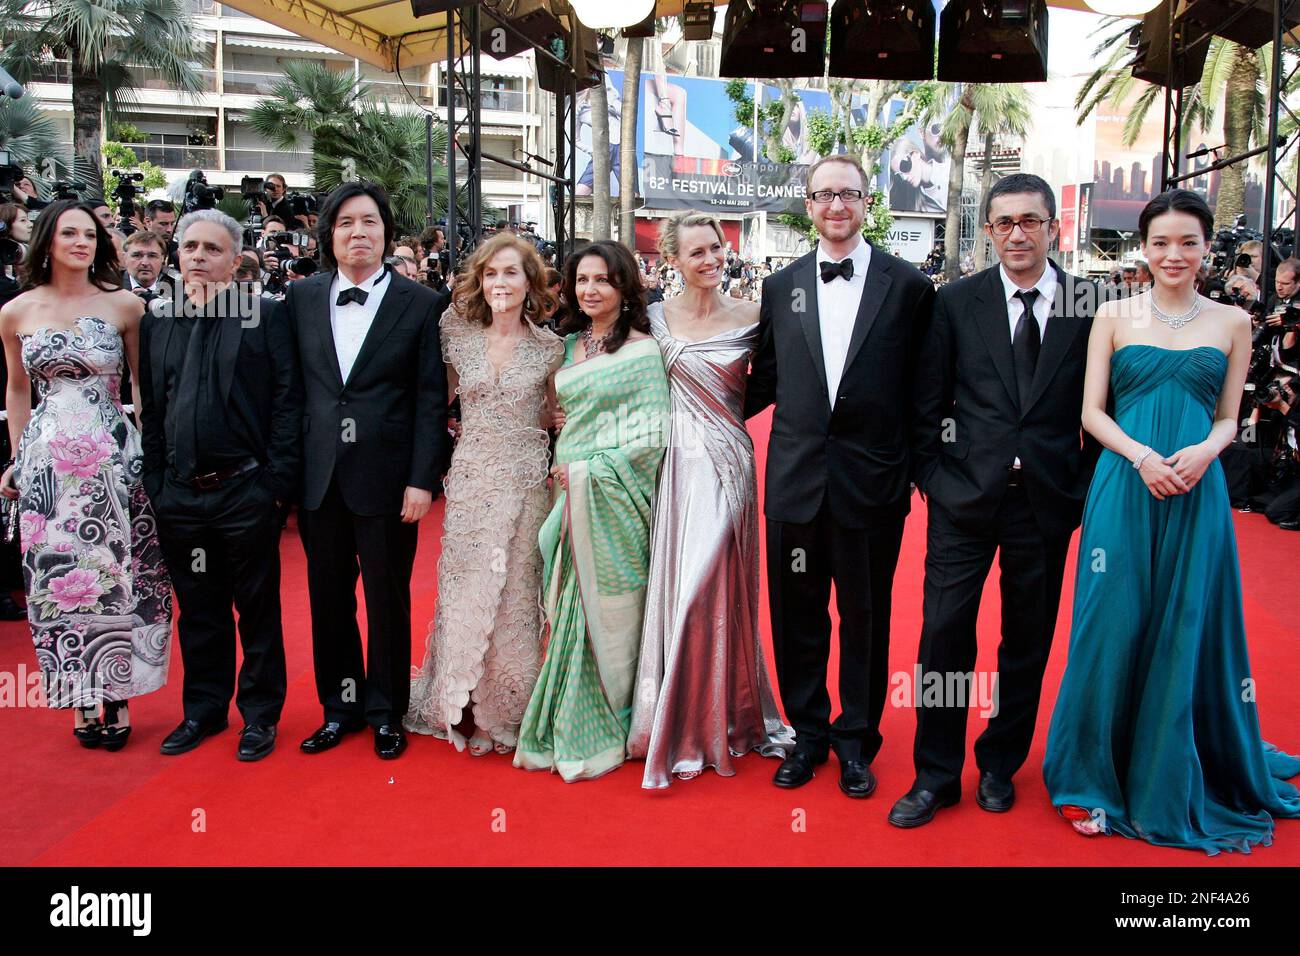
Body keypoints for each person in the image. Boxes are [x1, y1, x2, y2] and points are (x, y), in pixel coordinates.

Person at [1043, 189, 1300, 852]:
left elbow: (1228, 417)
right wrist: (1141, 457)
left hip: (1197, 488)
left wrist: (1207, 452)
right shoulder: (1113, 315)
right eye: (1161, 242)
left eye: (1188, 242)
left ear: (1206, 247)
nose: (1174, 254)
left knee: (1188, 624)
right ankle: (1089, 777)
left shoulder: (1233, 323)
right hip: (1125, 484)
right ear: (1144, 248)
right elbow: (1091, 412)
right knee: (1110, 622)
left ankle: (1173, 766)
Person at [891, 174, 1099, 827]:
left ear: (1052, 228)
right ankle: (937, 775)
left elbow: (1105, 405)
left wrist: (1079, 487)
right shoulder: (957, 303)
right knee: (945, 636)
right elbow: (926, 405)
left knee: (1026, 641)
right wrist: (937, 479)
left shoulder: (1088, 304)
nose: (1017, 233)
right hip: (965, 499)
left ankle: (1001, 765)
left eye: (1030, 221)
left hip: (1046, 501)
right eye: (1004, 222)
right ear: (987, 229)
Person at [745, 154, 934, 797]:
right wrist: (690, 414)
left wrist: (909, 471)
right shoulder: (782, 286)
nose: (836, 206)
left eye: (848, 194)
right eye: (824, 195)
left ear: (866, 201)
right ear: (808, 203)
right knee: (797, 614)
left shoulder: (907, 286)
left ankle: (857, 743)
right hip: (796, 485)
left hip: (871, 487)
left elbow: (923, 392)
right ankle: (808, 735)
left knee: (865, 618)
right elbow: (763, 379)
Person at [627, 212, 794, 788]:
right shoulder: (651, 318)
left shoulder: (753, 315)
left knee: (709, 581)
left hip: (728, 463)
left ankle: (708, 716)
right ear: (671, 259)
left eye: (716, 249)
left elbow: (771, 381)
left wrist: (722, 420)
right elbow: (619, 373)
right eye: (696, 252)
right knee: (680, 584)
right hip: (673, 465)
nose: (710, 260)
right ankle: (683, 719)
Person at [0, 200, 172, 749]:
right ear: (46, 240)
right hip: (48, 469)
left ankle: (117, 693)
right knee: (58, 584)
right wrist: (16, 459)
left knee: (114, 577)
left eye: (91, 235)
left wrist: (149, 448)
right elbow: (18, 390)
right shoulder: (16, 311)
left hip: (112, 460)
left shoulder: (126, 305)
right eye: (70, 233)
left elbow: (143, 387)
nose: (83, 242)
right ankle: (77, 699)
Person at [288, 181, 450, 761]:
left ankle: (387, 711)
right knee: (327, 598)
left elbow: (431, 399)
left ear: (386, 233)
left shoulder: (423, 303)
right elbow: (291, 393)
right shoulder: (301, 299)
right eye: (346, 223)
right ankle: (341, 707)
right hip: (318, 476)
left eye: (370, 223)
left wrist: (421, 479)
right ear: (329, 235)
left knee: (387, 598)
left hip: (388, 478)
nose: (359, 233)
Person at [139, 209, 301, 761]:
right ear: (176, 255)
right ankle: (203, 710)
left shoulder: (264, 316)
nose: (199, 258)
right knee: (199, 608)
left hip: (244, 491)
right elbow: (153, 408)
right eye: (190, 248)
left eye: (212, 249)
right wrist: (158, 482)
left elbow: (286, 403)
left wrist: (273, 485)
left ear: (236, 260)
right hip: (180, 494)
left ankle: (259, 715)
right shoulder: (158, 319)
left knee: (256, 608)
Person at [514, 240, 670, 782]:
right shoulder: (567, 348)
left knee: (613, 602)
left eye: (602, 279)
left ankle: (615, 718)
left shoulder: (645, 351)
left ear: (624, 286)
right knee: (568, 603)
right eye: (581, 281)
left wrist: (591, 471)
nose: (590, 290)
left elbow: (653, 434)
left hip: (613, 495)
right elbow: (556, 414)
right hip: (567, 492)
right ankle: (564, 713)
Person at [404, 233, 563, 755]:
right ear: (479, 279)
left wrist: (558, 419)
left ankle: (507, 707)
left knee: (516, 594)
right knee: (466, 590)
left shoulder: (548, 348)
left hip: (523, 481)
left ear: (529, 282)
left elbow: (551, 415)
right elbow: (435, 398)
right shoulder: (457, 332)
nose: (500, 283)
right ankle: (459, 702)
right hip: (471, 481)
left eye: (511, 273)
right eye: (491, 273)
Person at [123, 230, 169, 300]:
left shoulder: (178, 286)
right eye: (137, 255)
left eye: (152, 256)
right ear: (125, 257)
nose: (145, 263)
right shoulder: (110, 287)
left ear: (163, 258)